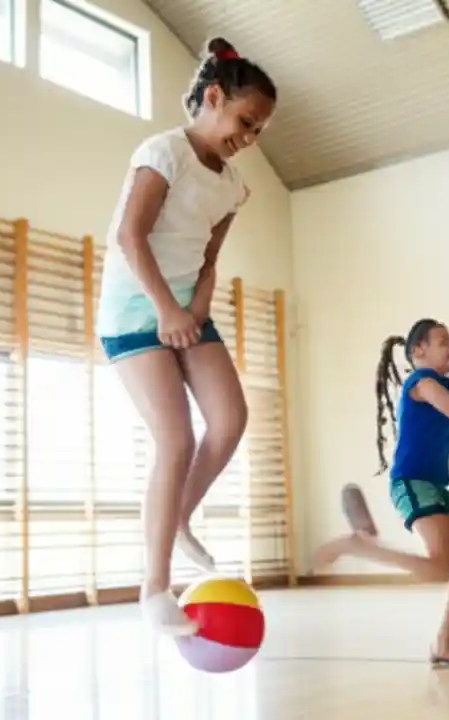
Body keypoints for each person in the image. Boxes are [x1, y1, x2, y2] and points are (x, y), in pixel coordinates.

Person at [95, 38, 276, 635]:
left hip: (183, 306)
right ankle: (154, 586)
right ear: (214, 98)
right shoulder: (162, 151)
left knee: (229, 420)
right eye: (245, 122)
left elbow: (208, 260)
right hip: (134, 309)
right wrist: (167, 310)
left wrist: (194, 308)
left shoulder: (234, 188)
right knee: (176, 438)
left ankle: (177, 517)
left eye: (259, 131)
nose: (248, 138)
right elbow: (130, 236)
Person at [313, 319, 449, 666]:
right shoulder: (422, 383)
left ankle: (443, 643)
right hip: (412, 482)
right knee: (441, 566)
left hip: (434, 485)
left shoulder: (436, 387)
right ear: (418, 351)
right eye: (443, 341)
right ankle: (360, 546)